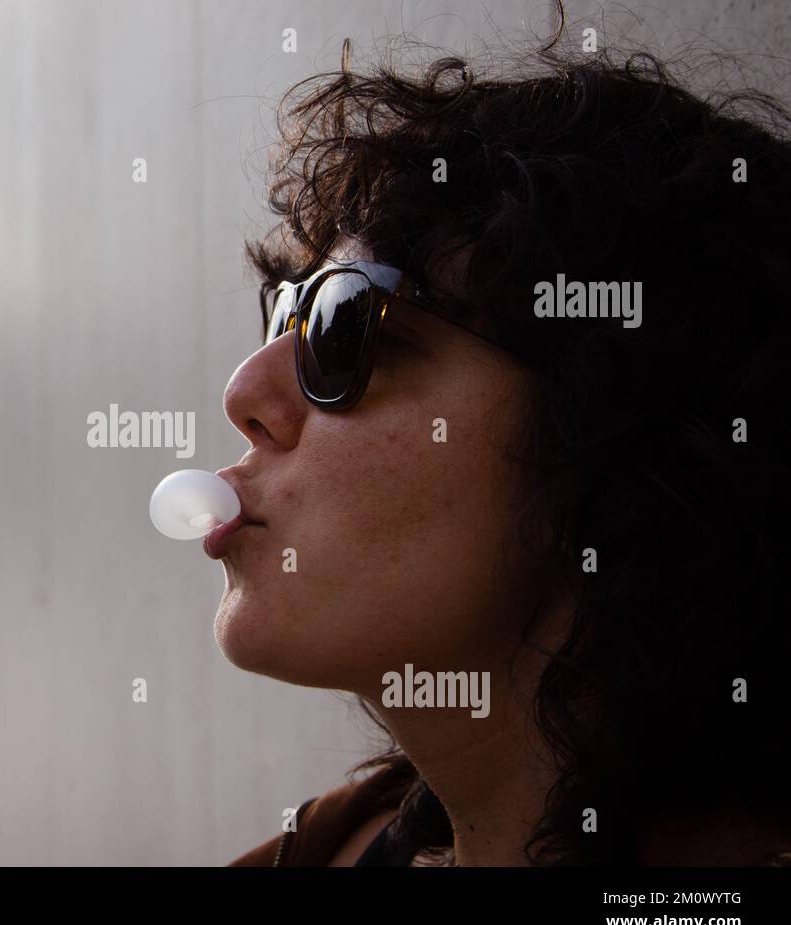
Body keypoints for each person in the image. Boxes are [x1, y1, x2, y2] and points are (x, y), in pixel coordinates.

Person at [218, 17, 791, 866]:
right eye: (284, 316)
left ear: (612, 432)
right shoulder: (328, 845)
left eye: (343, 328)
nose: (245, 393)